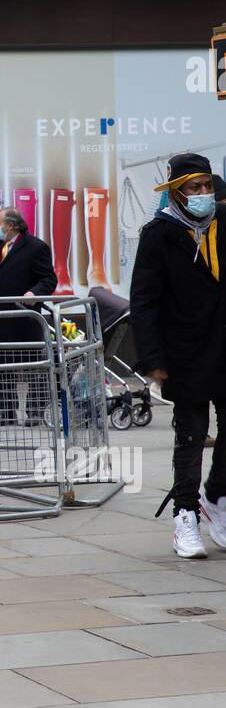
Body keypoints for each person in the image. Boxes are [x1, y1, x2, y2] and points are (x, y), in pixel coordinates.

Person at [130, 152, 226, 559]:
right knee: (191, 433)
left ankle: (217, 496)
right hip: (185, 352)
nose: (203, 194)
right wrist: (153, 358)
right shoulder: (159, 234)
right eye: (194, 188)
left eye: (207, 186)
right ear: (176, 191)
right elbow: (145, 301)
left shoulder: (224, 224)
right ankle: (185, 514)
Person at [0, 205, 58, 426]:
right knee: (1, 367)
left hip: (24, 319)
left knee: (34, 367)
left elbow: (48, 279)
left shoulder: (36, 247)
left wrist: (34, 293)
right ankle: (7, 411)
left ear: (11, 225)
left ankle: (35, 411)